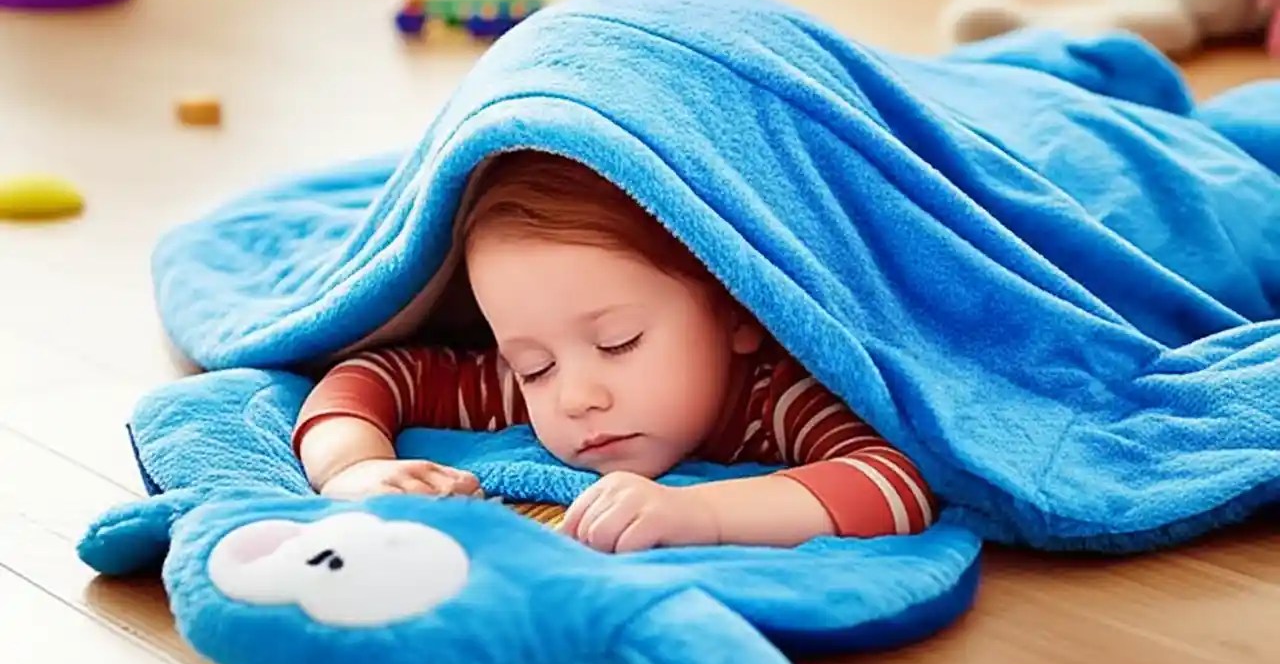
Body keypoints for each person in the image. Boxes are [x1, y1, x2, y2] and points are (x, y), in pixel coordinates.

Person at [292, 150, 936, 553]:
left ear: (737, 312)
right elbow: (373, 374)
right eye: (536, 367)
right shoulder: (533, 377)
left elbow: (896, 483)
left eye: (618, 342)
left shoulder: (777, 392)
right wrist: (352, 468)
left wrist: (702, 514)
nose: (576, 397)